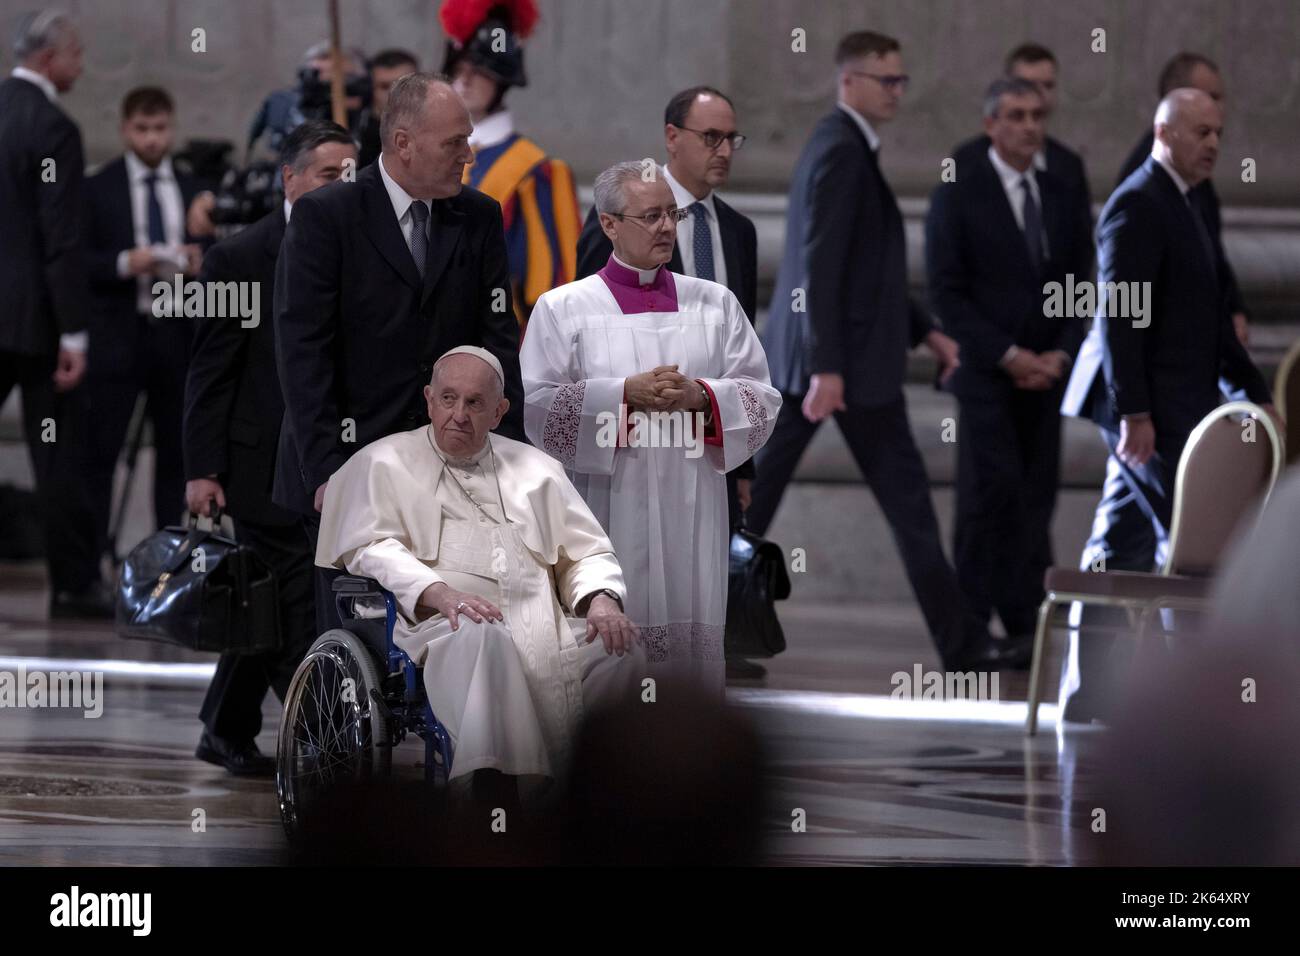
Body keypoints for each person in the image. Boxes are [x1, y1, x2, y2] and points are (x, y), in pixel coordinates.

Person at [750, 30, 1022, 672]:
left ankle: (717, 626)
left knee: (753, 502)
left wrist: (925, 329)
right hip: (839, 370)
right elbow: (820, 267)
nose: (898, 91)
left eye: (901, 80)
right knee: (757, 502)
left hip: (836, 365)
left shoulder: (845, 146)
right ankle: (963, 645)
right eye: (886, 80)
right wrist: (828, 367)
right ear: (849, 82)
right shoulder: (842, 151)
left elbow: (867, 270)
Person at [316, 346, 643, 793]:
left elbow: (585, 553)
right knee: (485, 638)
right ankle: (497, 789)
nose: (459, 415)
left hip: (545, 622)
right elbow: (370, 547)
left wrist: (602, 600)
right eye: (448, 399)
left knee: (618, 649)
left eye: (475, 403)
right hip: (440, 623)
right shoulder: (383, 461)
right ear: (429, 399)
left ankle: (604, 792)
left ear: (499, 411)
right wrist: (439, 592)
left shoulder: (537, 468)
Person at [273, 71, 525, 636]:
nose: (469, 152)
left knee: (445, 625)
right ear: (403, 143)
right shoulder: (327, 216)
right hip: (345, 458)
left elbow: (496, 339)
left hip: (448, 459)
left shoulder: (478, 216)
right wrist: (327, 470)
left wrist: (511, 451)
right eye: (454, 142)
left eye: (469, 138)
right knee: (353, 638)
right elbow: (303, 351)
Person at [1058, 89, 1278, 721]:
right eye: (1201, 132)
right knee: (1193, 552)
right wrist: (1134, 415)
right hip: (1146, 411)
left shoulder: (1187, 204)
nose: (1213, 144)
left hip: (1173, 408)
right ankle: (1205, 705)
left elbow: (1212, 324)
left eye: (1218, 133)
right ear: (1164, 131)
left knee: (1118, 543)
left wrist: (1256, 396)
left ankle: (1087, 691)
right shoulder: (1138, 204)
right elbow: (1119, 319)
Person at [520, 161, 781, 694]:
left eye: (672, 214)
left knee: (686, 641)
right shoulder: (564, 308)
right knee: (617, 635)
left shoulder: (715, 303)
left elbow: (761, 396)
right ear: (610, 225)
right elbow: (538, 408)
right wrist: (621, 395)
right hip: (608, 496)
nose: (667, 227)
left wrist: (702, 397)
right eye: (650, 216)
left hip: (694, 498)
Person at [183, 120, 356, 775]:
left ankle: (223, 729)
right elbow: (208, 372)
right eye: (328, 173)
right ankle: (321, 731)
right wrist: (201, 470)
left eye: (351, 175)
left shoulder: (353, 246)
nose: (343, 185)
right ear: (291, 178)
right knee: (288, 596)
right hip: (256, 463)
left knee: (262, 603)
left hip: (324, 455)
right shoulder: (237, 258)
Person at [925, 77, 1093, 647]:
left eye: (1037, 116)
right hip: (985, 375)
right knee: (985, 502)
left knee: (1034, 499)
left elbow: (1082, 284)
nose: (1029, 126)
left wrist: (1062, 354)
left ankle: (1025, 626)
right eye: (1016, 116)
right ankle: (971, 627)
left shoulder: (1061, 191)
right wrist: (1010, 355)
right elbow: (947, 293)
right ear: (991, 124)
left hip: (1047, 378)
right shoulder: (960, 189)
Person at [576, 86, 759, 543]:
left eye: (731, 139)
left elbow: (744, 363)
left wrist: (741, 462)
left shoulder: (740, 231)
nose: (723, 151)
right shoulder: (623, 216)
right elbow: (588, 319)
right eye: (711, 136)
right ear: (672, 136)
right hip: (632, 448)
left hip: (706, 443)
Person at [0, 9, 101, 617]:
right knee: (59, 451)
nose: (81, 65)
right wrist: (75, 333)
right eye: (76, 53)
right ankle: (74, 584)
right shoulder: (53, 128)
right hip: (35, 324)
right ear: (49, 58)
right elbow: (61, 238)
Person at [82, 87, 205, 567]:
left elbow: (219, 251)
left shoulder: (195, 188)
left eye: (160, 129)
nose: (152, 139)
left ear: (171, 128)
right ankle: (91, 563)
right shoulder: (100, 187)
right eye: (142, 129)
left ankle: (165, 564)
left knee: (176, 454)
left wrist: (198, 260)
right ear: (125, 129)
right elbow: (78, 262)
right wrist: (123, 261)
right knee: (100, 450)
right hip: (119, 331)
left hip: (176, 332)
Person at [442, 0, 580, 328]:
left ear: (501, 82)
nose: (464, 81)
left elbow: (550, 280)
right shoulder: (432, 154)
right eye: (458, 70)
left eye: (478, 72)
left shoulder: (535, 170)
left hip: (499, 335)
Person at [1115, 52, 1249, 347]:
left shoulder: (1194, 173)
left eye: (1219, 98)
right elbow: (1125, 313)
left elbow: (1211, 249)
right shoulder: (1140, 190)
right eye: (1209, 96)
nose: (1218, 107)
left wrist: (1234, 308)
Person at [950, 42, 1092, 256]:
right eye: (1028, 85)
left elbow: (1080, 246)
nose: (1040, 94)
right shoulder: (968, 159)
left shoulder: (1068, 165)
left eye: (1048, 85)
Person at [358, 48, 417, 169]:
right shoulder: (356, 137)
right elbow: (349, 181)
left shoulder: (438, 132)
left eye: (403, 85)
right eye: (384, 86)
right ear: (371, 90)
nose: (393, 93)